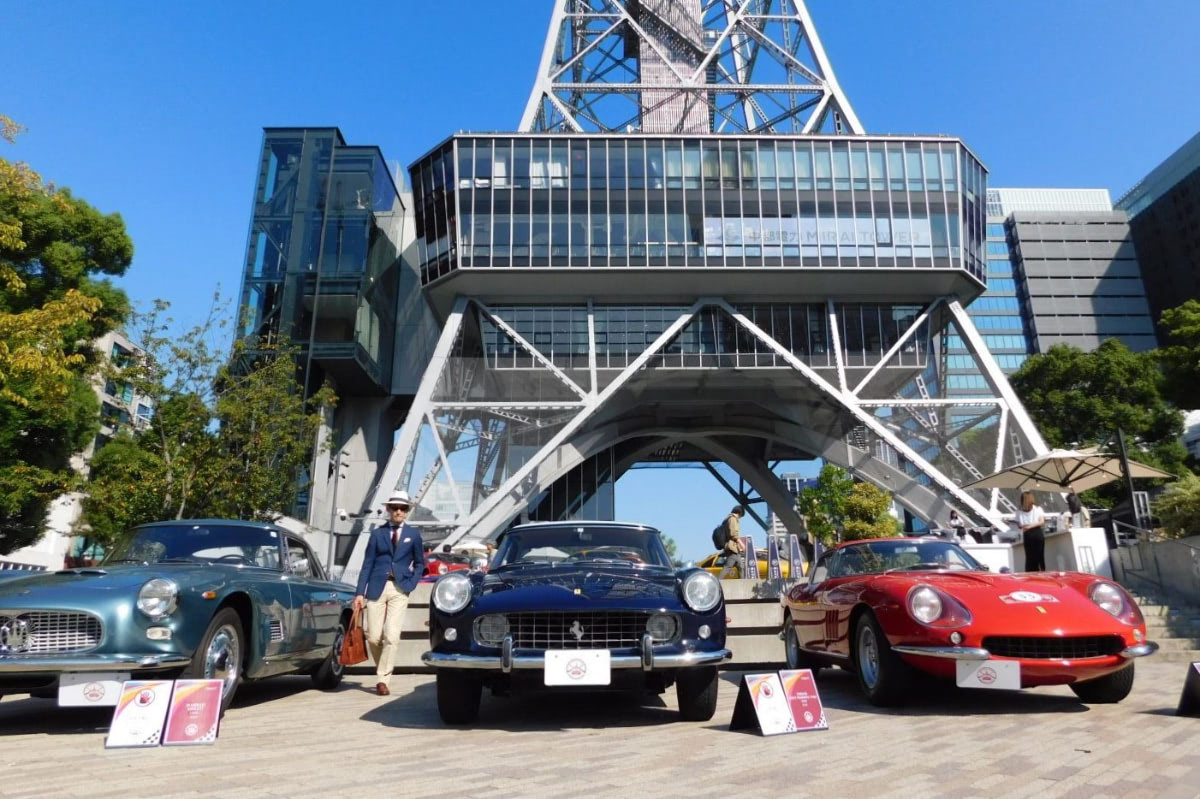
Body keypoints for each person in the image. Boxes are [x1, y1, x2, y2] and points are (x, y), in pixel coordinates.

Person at [354, 491, 425, 696]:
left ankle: (382, 679)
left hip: (399, 588)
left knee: (392, 636)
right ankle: (381, 669)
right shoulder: (377, 534)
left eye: (402, 508)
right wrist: (360, 593)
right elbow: (367, 564)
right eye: (394, 508)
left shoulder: (414, 535)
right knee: (373, 636)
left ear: (407, 511)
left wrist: (411, 583)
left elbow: (420, 563)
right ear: (388, 509)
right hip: (377, 587)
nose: (398, 511)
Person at [1016, 490, 1047, 572]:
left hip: (1027, 534)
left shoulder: (1019, 511)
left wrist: (1028, 526)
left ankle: (1031, 573)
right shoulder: (1037, 509)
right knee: (1039, 556)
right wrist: (1031, 526)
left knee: (1030, 557)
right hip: (1037, 533)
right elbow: (1041, 521)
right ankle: (1041, 572)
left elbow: (1019, 525)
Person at [717, 506, 746, 579]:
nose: (740, 518)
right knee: (728, 566)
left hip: (734, 547)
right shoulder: (732, 519)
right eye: (741, 516)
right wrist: (742, 544)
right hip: (732, 547)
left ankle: (742, 583)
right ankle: (717, 581)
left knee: (741, 566)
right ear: (739, 513)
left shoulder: (727, 519)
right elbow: (733, 534)